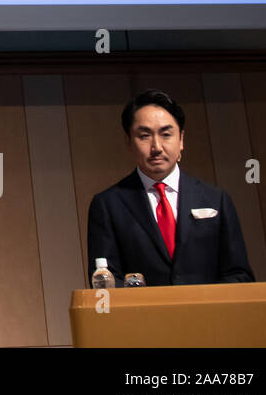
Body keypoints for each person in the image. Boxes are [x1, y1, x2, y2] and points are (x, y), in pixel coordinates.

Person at [86, 88, 253, 286]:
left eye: (166, 134)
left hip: (209, 314)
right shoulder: (108, 205)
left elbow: (239, 274)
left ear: (181, 139)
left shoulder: (216, 199)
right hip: (144, 315)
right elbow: (107, 282)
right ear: (129, 142)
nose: (157, 147)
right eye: (144, 136)